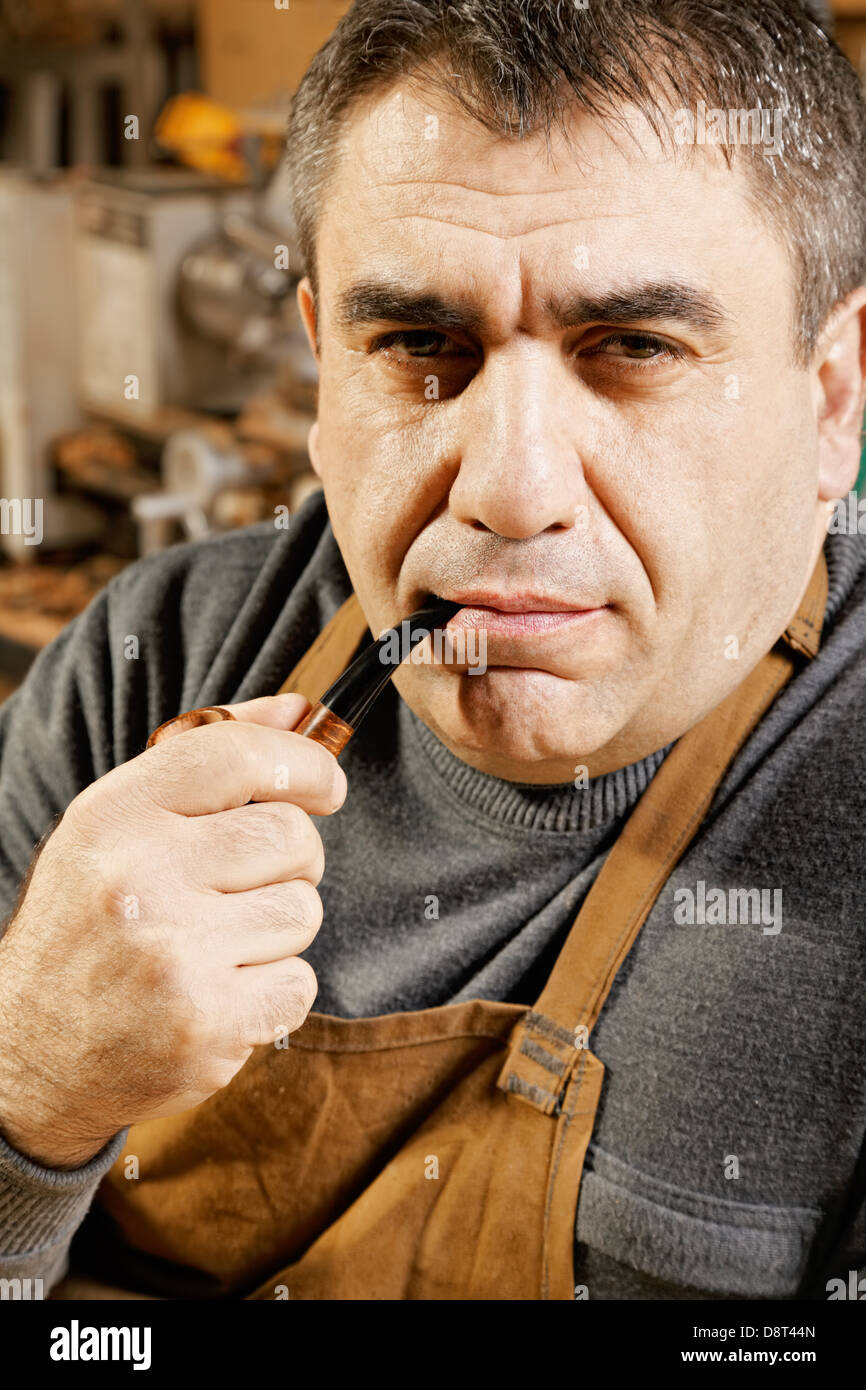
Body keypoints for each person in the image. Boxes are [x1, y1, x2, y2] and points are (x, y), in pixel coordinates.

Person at [0, 0, 864, 1301]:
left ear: (833, 396)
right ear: (319, 368)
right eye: (417, 346)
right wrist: (31, 1090)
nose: (509, 493)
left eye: (634, 348)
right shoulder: (146, 668)